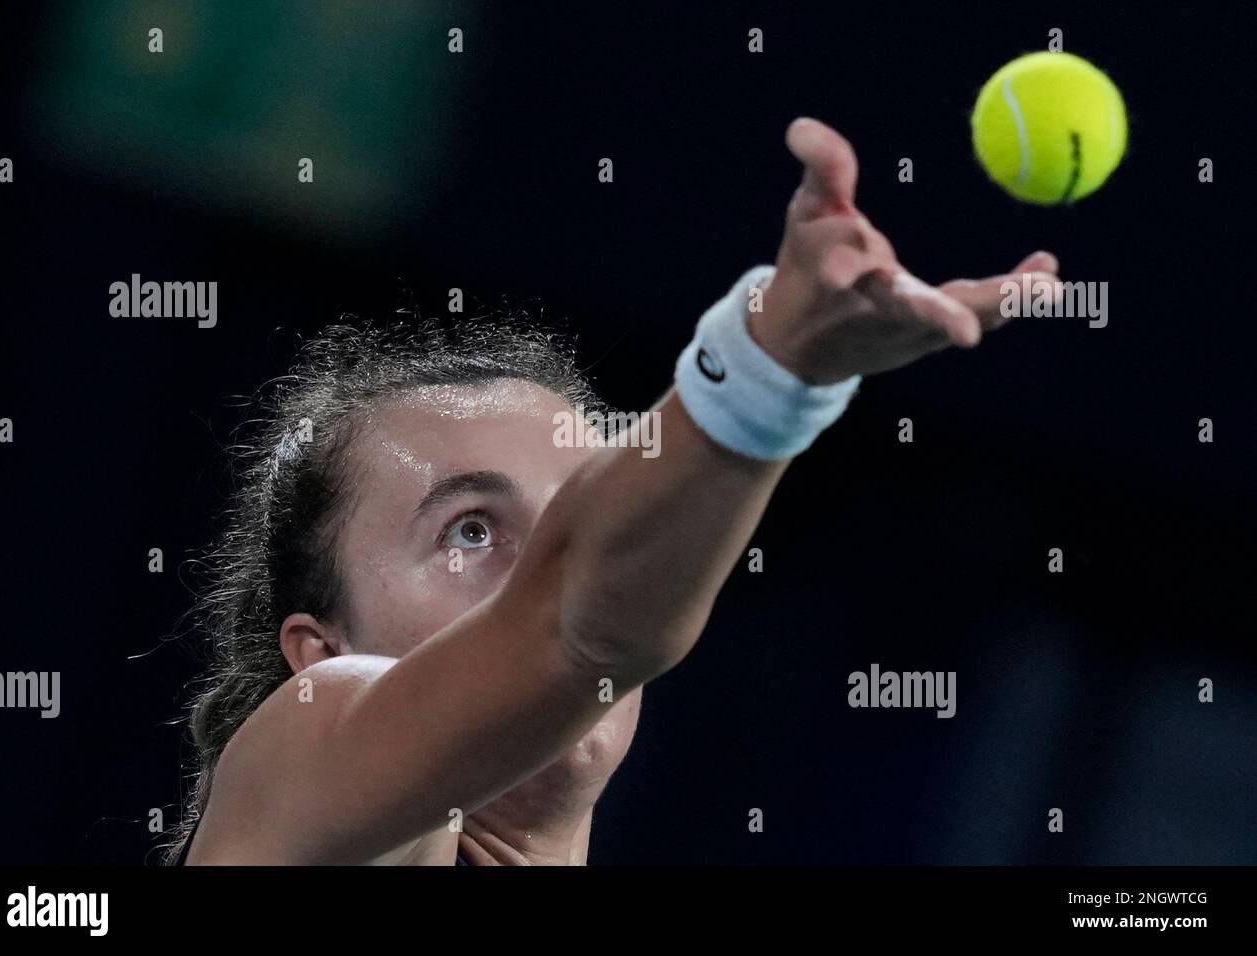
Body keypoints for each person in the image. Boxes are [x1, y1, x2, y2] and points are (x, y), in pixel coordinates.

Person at [168, 118, 1059, 865]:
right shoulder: (293, 767)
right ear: (319, 654)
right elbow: (571, 623)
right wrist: (765, 375)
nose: (541, 563)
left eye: (572, 515)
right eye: (470, 531)